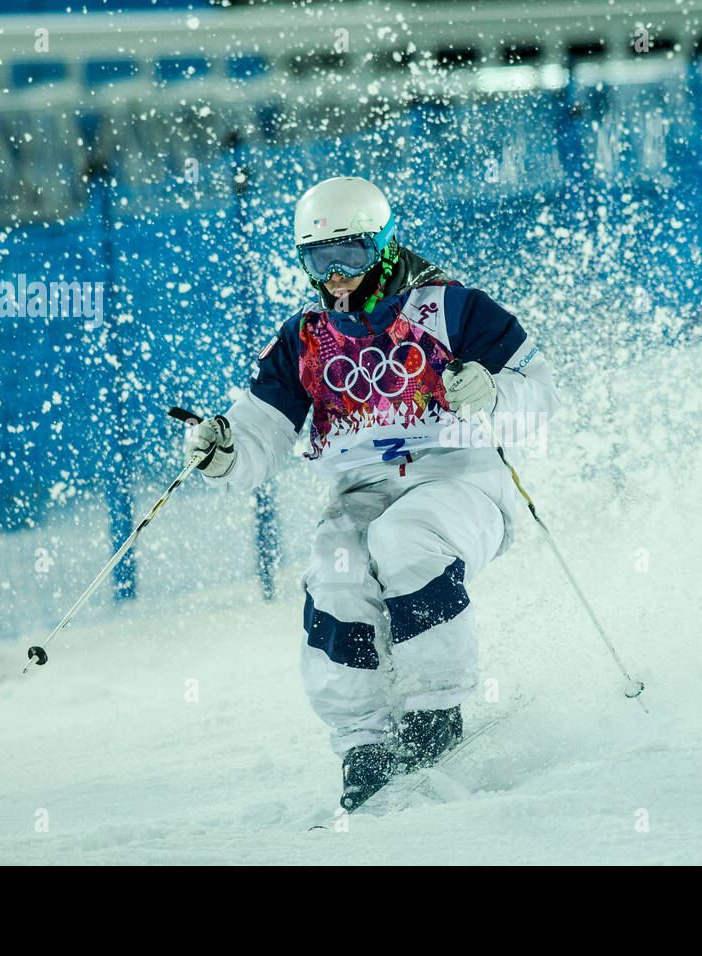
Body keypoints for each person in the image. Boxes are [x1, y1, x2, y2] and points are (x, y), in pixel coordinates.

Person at [184, 176, 561, 810]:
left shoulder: (451, 307)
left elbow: (541, 391)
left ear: (383, 247)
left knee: (404, 540)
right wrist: (222, 451)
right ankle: (365, 743)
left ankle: (435, 716)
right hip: (362, 489)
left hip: (461, 477)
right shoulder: (304, 338)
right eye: (317, 259)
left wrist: (495, 393)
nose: (335, 275)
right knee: (337, 569)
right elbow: (257, 433)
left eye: (350, 257)